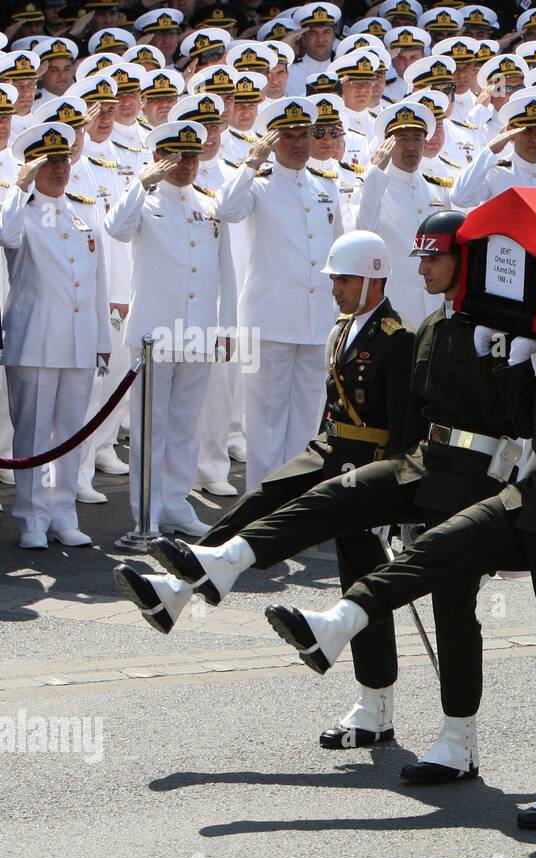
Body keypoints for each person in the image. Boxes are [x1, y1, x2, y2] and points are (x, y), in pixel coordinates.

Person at [260, 240, 536, 830]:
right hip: (528, 496)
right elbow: (523, 426)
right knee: (436, 549)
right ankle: (339, 621)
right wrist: (518, 366)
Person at [122, 211, 518, 767]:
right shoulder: (429, 327)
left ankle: (446, 734)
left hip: (420, 469)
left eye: (433, 256)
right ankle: (198, 575)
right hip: (370, 461)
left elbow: (411, 421)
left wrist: (398, 502)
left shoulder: (443, 334)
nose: (423, 265)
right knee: (275, 504)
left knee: (429, 597)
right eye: (420, 256)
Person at [115, 230, 415, 749]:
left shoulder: (396, 338)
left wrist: (392, 503)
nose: (334, 288)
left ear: (372, 276)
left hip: (366, 468)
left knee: (363, 584)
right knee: (258, 500)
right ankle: (181, 586)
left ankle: (375, 708)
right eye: (334, 279)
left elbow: (406, 429)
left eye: (343, 279)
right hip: (330, 450)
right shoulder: (344, 328)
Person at [105, 119, 238, 538]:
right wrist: (141, 184)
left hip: (198, 331)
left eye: (193, 156)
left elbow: (225, 272)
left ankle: (176, 502)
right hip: (154, 332)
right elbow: (117, 229)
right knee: (150, 425)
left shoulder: (209, 204)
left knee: (185, 423)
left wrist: (226, 327)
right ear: (158, 158)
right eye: (177, 156)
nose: (186, 165)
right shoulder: (142, 201)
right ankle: (147, 510)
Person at [214, 96, 343, 490]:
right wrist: (253, 162)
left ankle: (293, 500)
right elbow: (227, 209)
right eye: (288, 137)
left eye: (305, 135)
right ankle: (261, 500)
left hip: (315, 320)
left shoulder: (324, 188)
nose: (300, 144)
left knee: (306, 419)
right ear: (271, 141)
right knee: (265, 420)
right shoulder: (258, 185)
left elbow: (337, 255)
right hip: (268, 322)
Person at [1, 121, 109, 549]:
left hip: (79, 341)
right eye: (49, 162)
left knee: (69, 432)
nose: (60, 169)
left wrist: (101, 340)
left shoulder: (83, 212)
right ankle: (30, 517)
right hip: (36, 340)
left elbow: (97, 284)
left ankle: (63, 511)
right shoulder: (20, 213)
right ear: (31, 168)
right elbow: (5, 235)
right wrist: (17, 186)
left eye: (64, 159)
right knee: (32, 434)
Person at [354, 98, 447, 323]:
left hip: (435, 305)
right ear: (387, 144)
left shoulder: (437, 188)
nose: (411, 146)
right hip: (394, 306)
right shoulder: (373, 186)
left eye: (417, 138)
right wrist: (374, 173)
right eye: (402, 139)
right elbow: (363, 230)